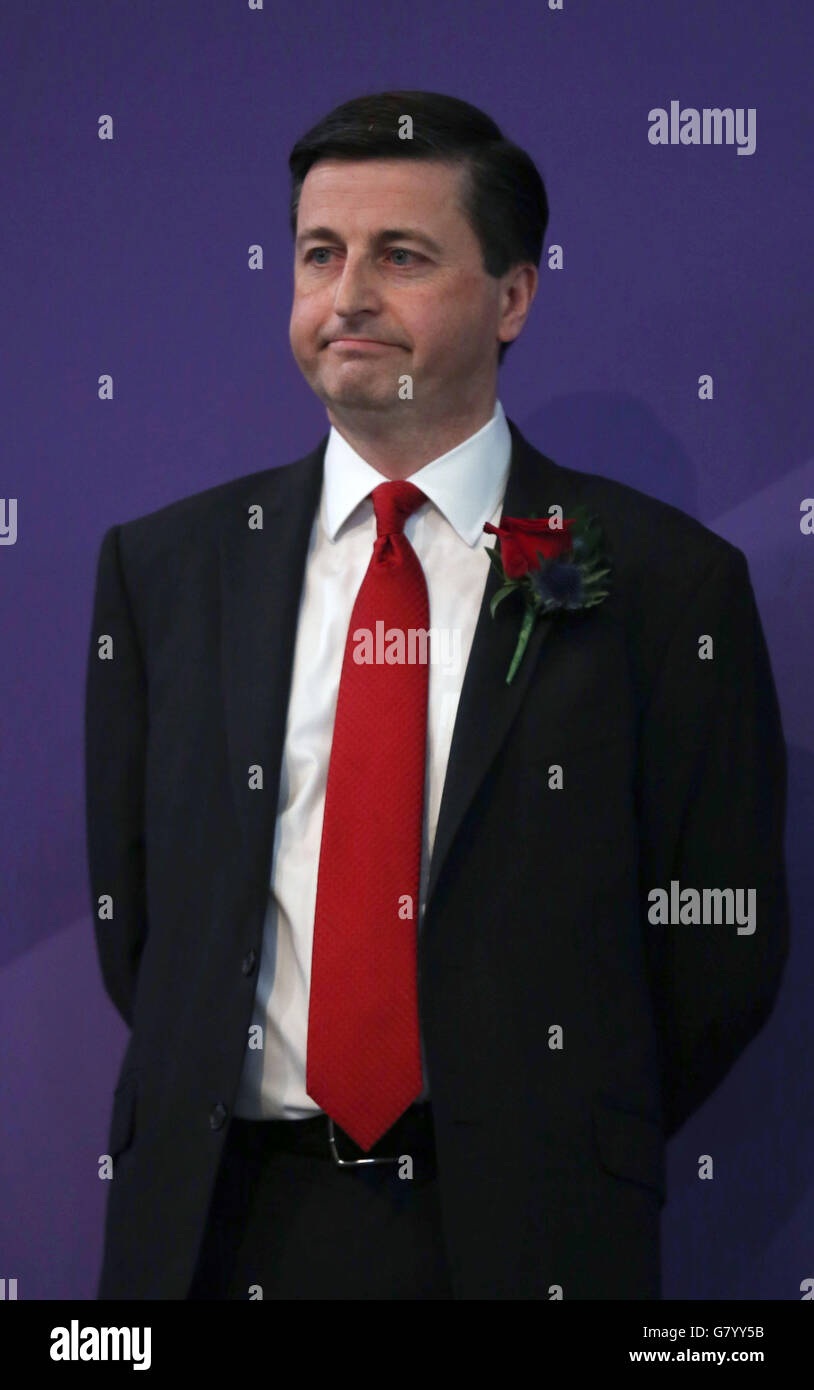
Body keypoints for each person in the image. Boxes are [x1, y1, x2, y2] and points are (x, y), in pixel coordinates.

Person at [86, 90, 789, 1300]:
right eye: (321, 254)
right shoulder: (164, 570)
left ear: (512, 296)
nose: (347, 293)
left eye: (399, 255)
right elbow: (138, 923)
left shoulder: (669, 586)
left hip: (529, 1235)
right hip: (212, 1225)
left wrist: (558, 1132)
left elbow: (715, 950)